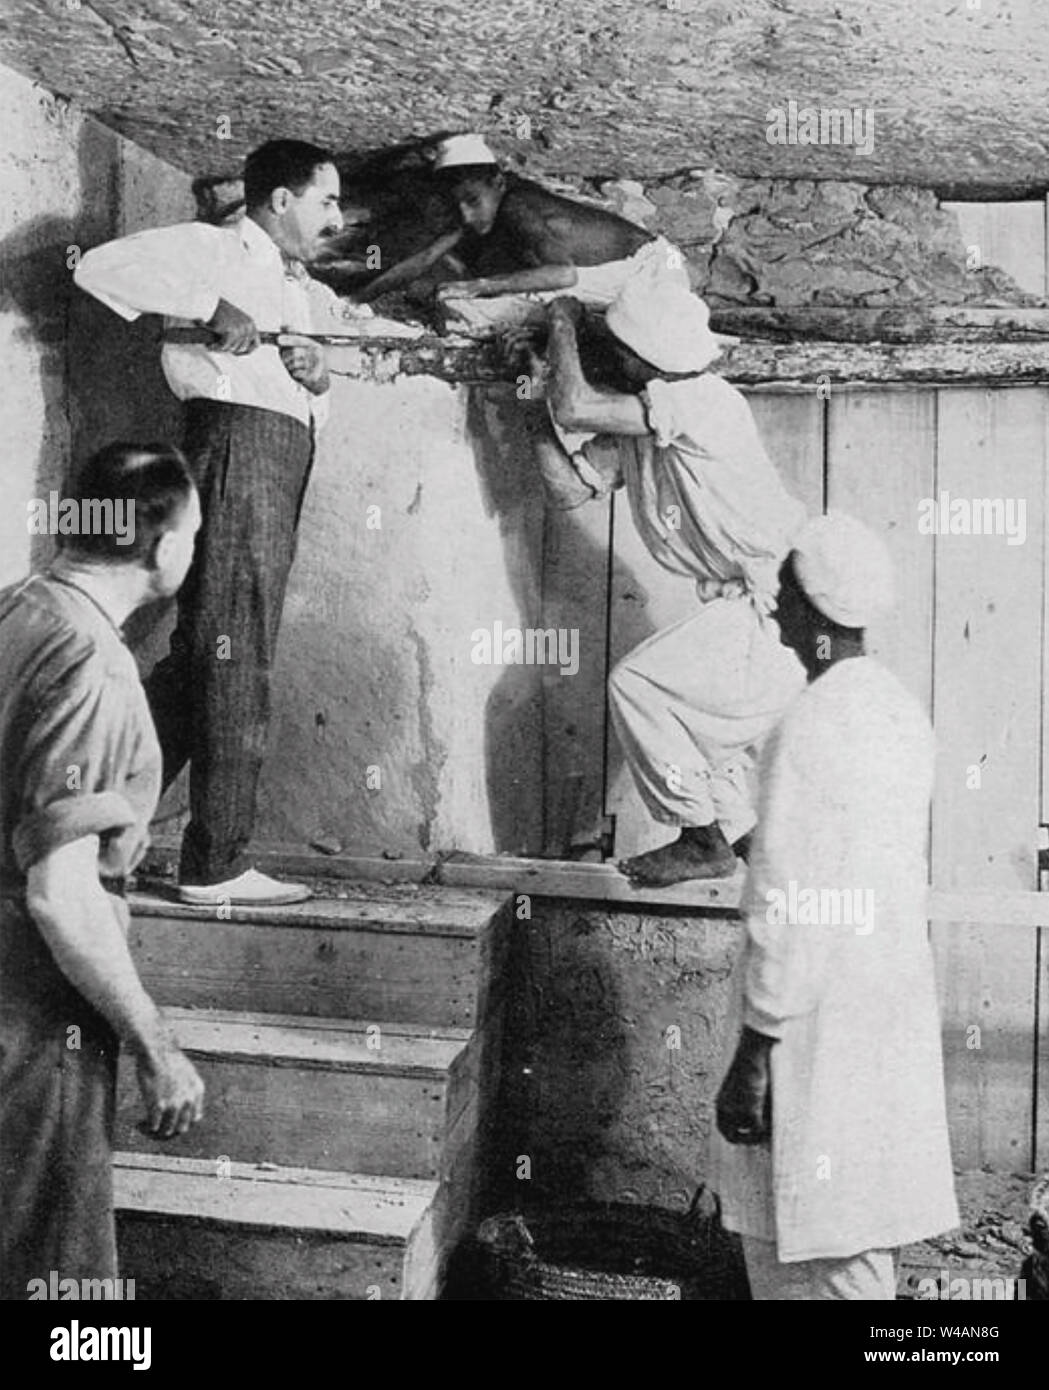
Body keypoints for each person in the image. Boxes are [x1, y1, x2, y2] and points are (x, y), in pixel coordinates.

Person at [74, 140, 348, 906]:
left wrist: (316, 378)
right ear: (281, 200)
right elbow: (95, 267)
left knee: (203, 655)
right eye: (328, 200)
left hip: (277, 450)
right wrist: (208, 306)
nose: (338, 217)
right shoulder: (215, 248)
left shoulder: (297, 285)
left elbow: (297, 388)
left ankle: (83, 831)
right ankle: (217, 864)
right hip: (236, 444)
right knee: (236, 648)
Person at [712, 513, 959, 1300]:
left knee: (806, 1252)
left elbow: (788, 901)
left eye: (784, 592)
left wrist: (756, 1049)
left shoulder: (811, 724)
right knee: (856, 1248)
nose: (774, 606)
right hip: (878, 1012)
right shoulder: (895, 713)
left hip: (811, 1025)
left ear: (814, 610)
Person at [0, 443, 206, 1300]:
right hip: (30, 1005)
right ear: (161, 548)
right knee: (54, 1270)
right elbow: (61, 893)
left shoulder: (17, 609)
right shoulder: (96, 666)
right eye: (191, 533)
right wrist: (154, 1044)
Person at [527, 280, 808, 885]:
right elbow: (569, 489)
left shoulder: (704, 400)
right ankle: (742, 843)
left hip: (785, 602)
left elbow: (574, 406)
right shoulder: (643, 424)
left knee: (639, 688)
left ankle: (702, 840)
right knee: (701, 734)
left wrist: (562, 324)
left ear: (640, 355)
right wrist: (531, 401)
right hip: (752, 601)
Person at [358, 133, 690, 330]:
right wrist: (359, 298)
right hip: (619, 276)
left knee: (480, 306)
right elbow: (427, 255)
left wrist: (476, 286)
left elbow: (563, 275)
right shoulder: (482, 206)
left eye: (473, 201)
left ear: (498, 183)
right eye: (458, 204)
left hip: (659, 270)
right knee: (469, 296)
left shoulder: (519, 207)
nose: (466, 215)